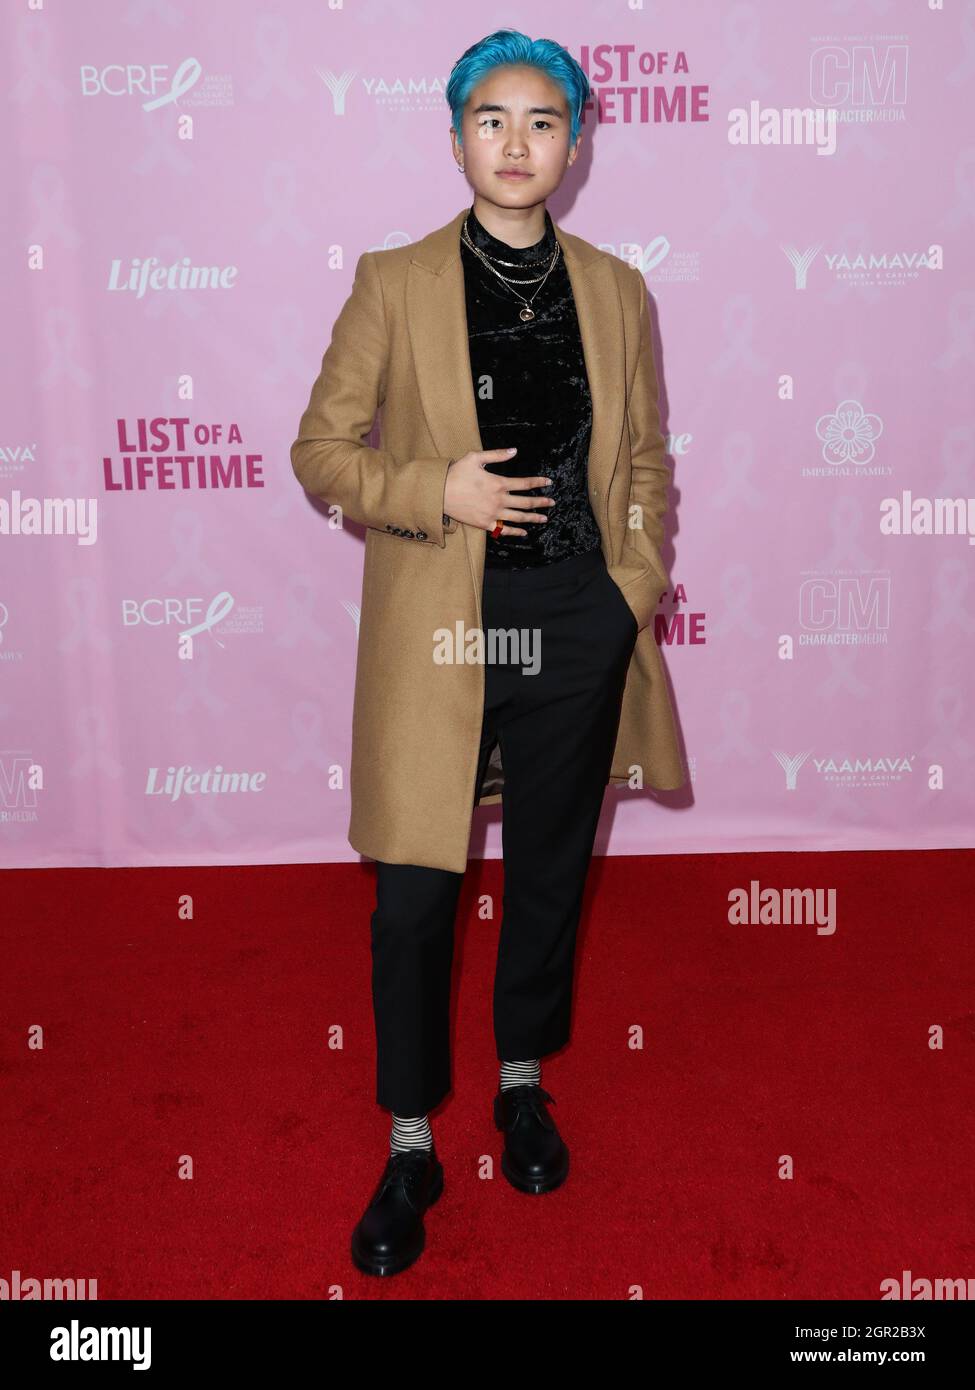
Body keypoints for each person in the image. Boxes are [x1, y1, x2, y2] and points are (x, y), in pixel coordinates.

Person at [290, 28, 685, 1278]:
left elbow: (644, 464)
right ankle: (412, 1141)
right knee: (415, 895)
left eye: (544, 121)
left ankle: (522, 1084)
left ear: (575, 142)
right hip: (443, 631)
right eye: (492, 120)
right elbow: (320, 452)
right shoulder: (394, 279)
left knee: (555, 868)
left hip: (576, 620)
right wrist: (432, 487)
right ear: (455, 135)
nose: (518, 144)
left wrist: (632, 586)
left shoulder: (618, 289)